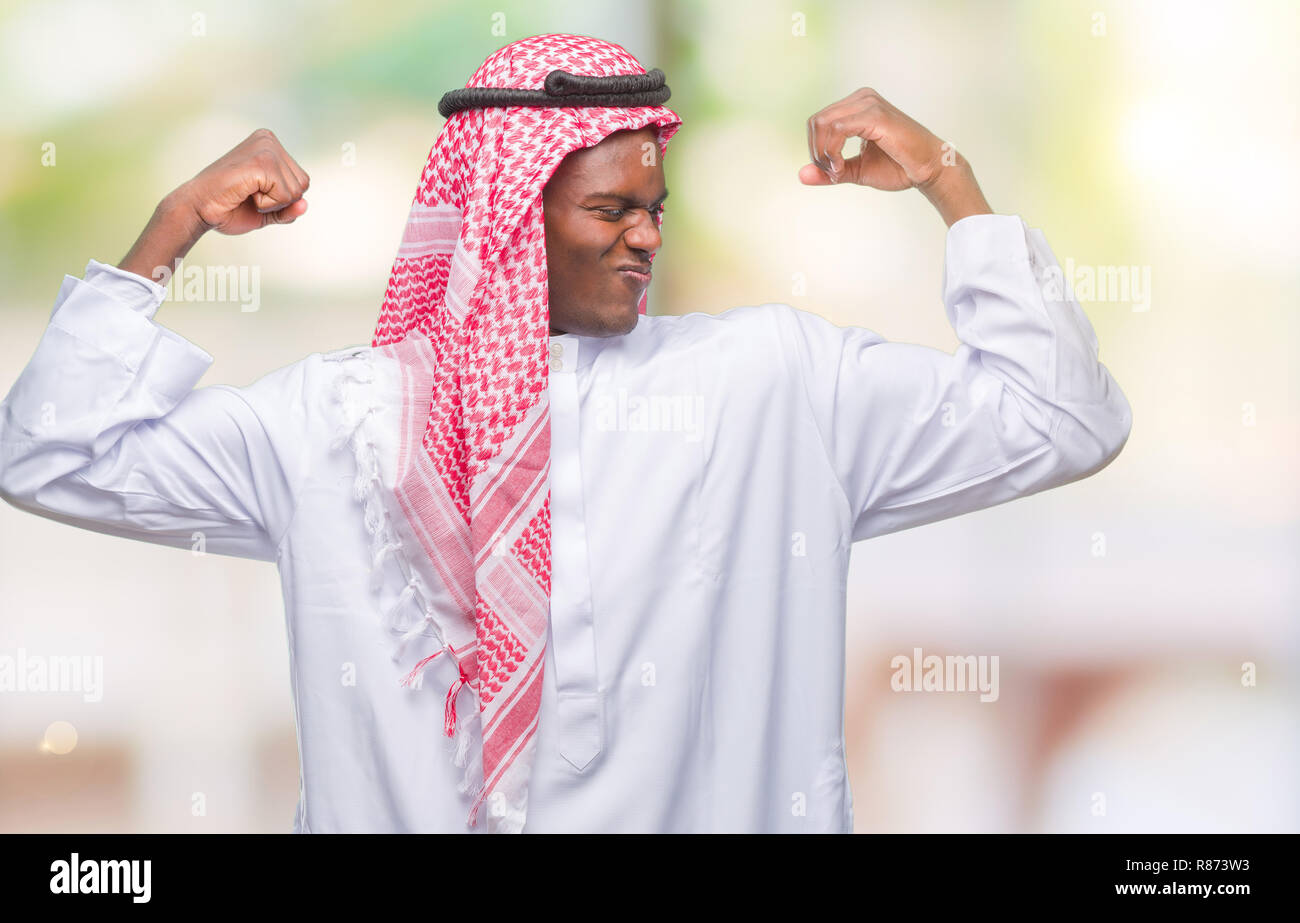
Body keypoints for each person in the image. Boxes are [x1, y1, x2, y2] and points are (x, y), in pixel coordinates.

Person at [0, 34, 1131, 833]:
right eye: (608, 210)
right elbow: (51, 455)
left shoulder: (772, 384)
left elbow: (1060, 417)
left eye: (655, 210)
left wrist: (948, 181)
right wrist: (168, 231)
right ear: (504, 214)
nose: (644, 236)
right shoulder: (342, 420)